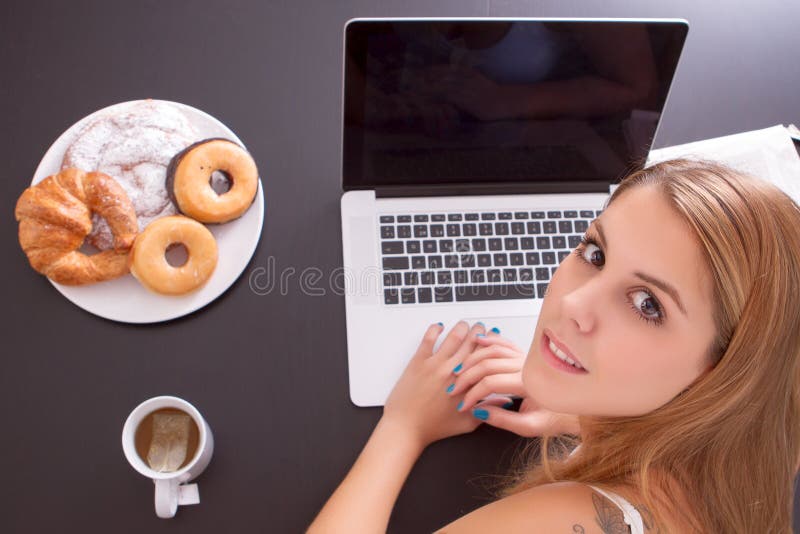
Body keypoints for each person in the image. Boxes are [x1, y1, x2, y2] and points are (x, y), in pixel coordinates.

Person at [309, 158, 800, 533]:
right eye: (596, 253)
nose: (573, 304)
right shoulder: (759, 452)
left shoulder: (560, 520)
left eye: (648, 304)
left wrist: (402, 428)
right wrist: (586, 418)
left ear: (725, 371)